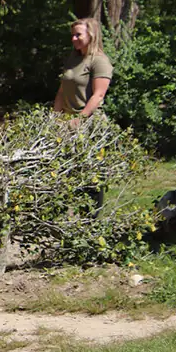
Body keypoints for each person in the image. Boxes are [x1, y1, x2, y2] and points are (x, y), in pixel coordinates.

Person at [53, 17, 113, 214]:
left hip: (90, 125)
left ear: (91, 35)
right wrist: (55, 118)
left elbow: (98, 95)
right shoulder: (73, 58)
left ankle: (90, 224)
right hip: (67, 124)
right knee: (66, 174)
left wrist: (81, 118)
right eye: (72, 35)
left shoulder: (100, 61)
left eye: (78, 34)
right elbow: (62, 91)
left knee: (91, 178)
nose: (74, 38)